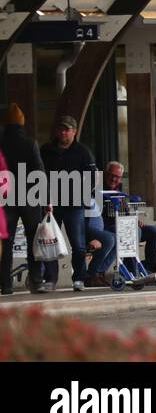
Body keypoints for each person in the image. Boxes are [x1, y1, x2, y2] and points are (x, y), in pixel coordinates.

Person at [39, 115, 97, 292]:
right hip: (51, 205)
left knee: (78, 244)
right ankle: (50, 280)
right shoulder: (46, 150)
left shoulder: (83, 152)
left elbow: (92, 178)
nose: (63, 132)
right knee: (49, 243)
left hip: (75, 205)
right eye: (61, 129)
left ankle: (79, 278)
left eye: (67, 129)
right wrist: (44, 199)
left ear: (74, 132)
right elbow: (40, 175)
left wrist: (81, 196)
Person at [0, 103, 44, 294]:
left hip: (6, 200)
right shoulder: (30, 143)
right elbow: (39, 172)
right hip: (29, 199)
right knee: (33, 239)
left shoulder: (1, 144)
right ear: (22, 123)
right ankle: (36, 279)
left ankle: (5, 284)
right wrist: (45, 199)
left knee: (6, 242)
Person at [102, 161, 156, 273]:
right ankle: (131, 271)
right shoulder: (100, 190)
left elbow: (125, 212)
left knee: (154, 231)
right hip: (108, 227)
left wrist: (135, 221)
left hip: (122, 224)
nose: (114, 179)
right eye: (112, 175)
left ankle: (151, 269)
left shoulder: (119, 191)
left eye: (117, 177)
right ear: (106, 174)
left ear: (121, 178)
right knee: (132, 231)